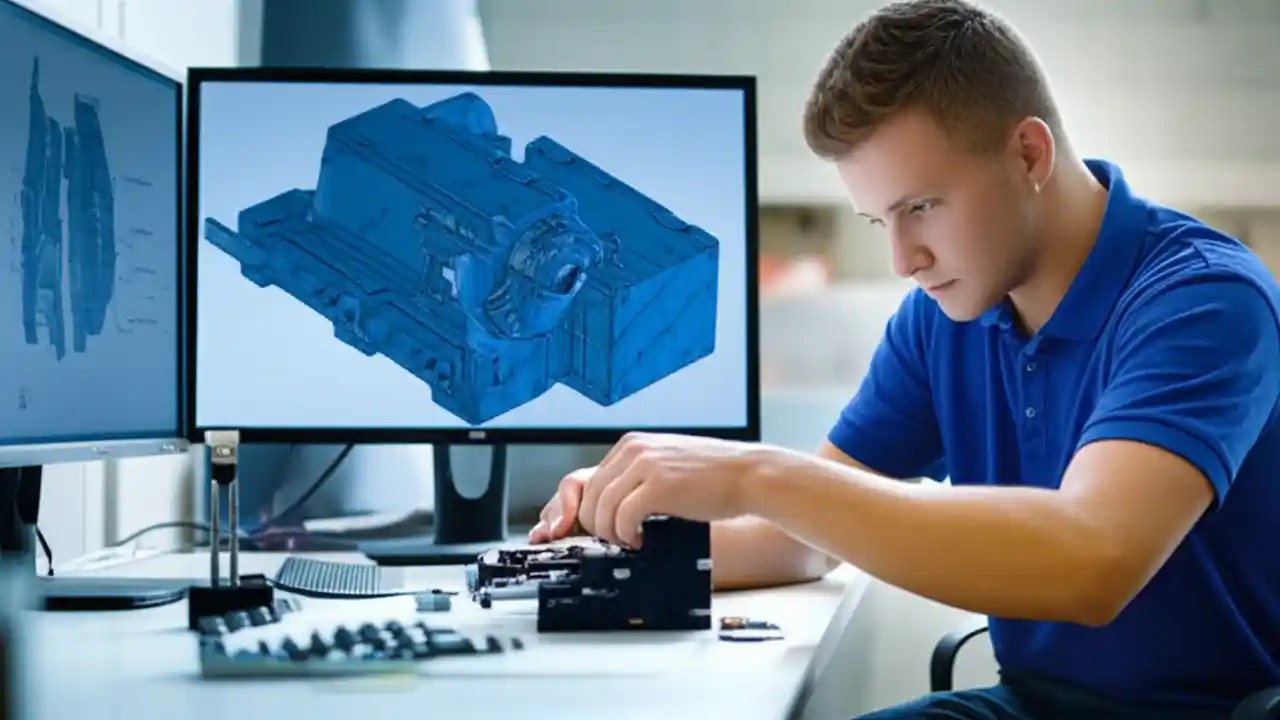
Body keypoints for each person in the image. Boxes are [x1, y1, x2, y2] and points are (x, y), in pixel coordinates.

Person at [529, 0, 1280, 717]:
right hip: (1028, 704)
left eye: (921, 207)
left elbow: (1093, 560)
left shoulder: (1205, 300)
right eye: (877, 220)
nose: (903, 260)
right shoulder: (944, 315)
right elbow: (802, 538)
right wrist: (617, 541)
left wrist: (751, 472)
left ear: (1029, 153)